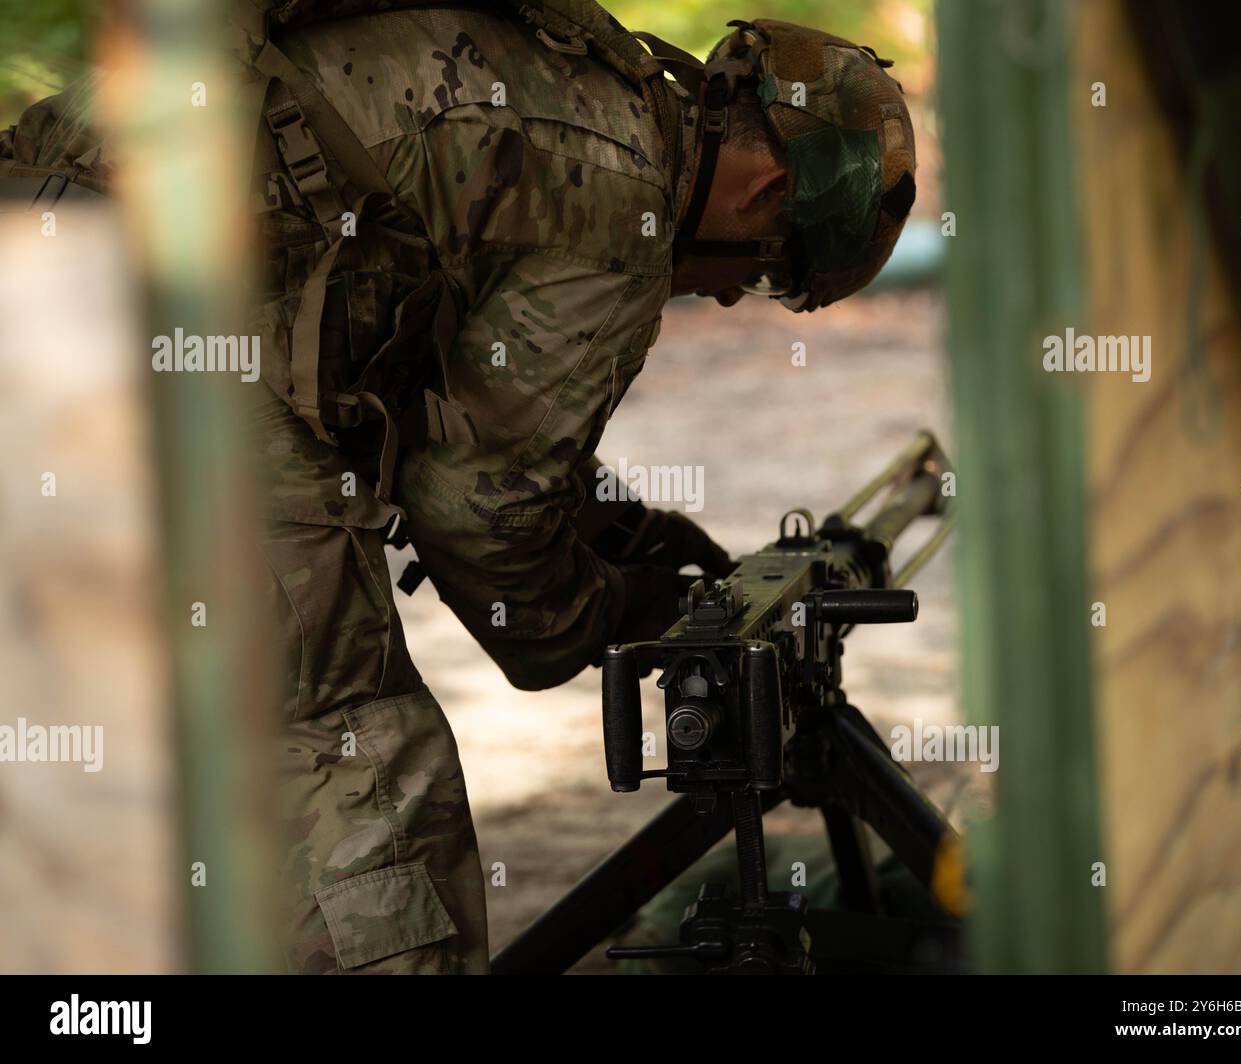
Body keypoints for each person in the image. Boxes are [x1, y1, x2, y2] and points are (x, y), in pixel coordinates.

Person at [1, 2, 916, 973]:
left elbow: (464, 405)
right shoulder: (624, 202)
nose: (730, 295)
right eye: (767, 273)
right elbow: (482, 522)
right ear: (765, 188)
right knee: (359, 779)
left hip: (46, 269)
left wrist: (630, 531)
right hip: (139, 340)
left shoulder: (577, 77)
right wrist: (618, 606)